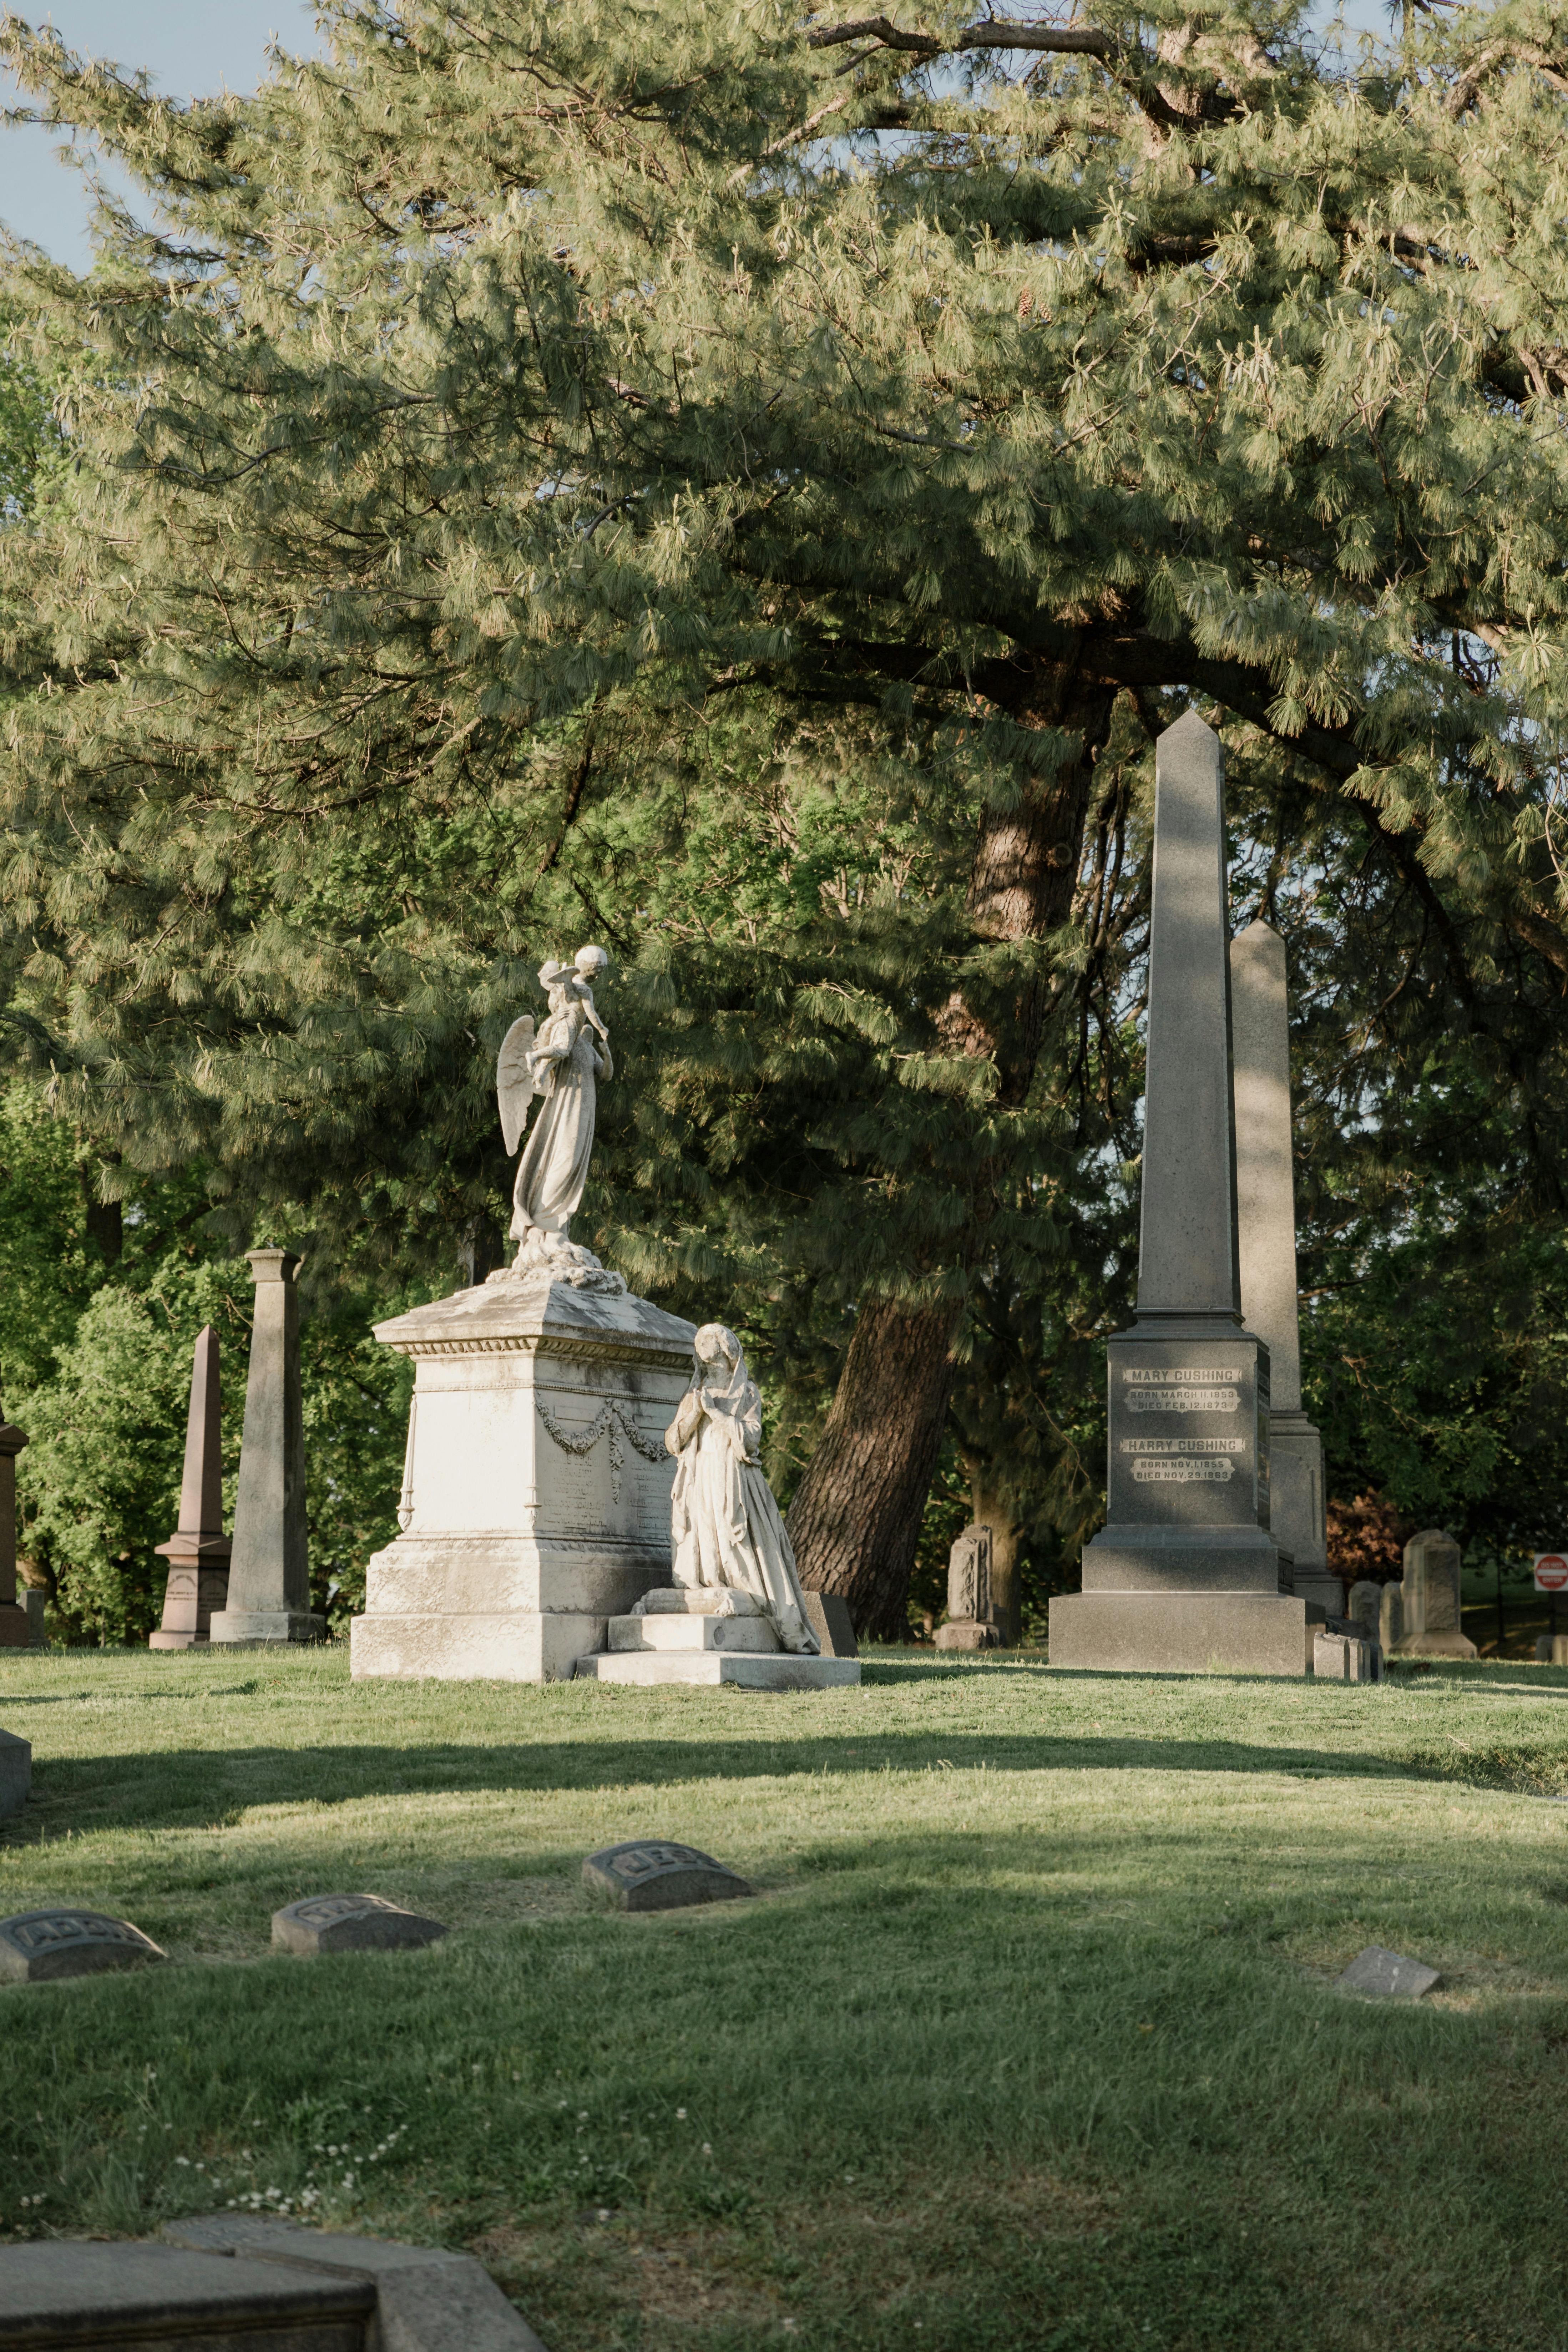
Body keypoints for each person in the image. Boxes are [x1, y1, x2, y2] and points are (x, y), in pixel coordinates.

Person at [665, 1324, 820, 1653]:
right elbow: (673, 1441)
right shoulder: (694, 1396)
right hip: (699, 1476)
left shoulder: (746, 1392)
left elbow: (751, 1438)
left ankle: (749, 1593)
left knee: (741, 1544)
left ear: (728, 1358)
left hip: (733, 1476)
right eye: (706, 1361)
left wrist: (717, 1414)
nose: (711, 1366)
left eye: (717, 1359)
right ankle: (712, 1582)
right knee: (704, 1532)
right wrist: (695, 1412)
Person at [509, 958, 613, 1246]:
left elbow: (605, 1073)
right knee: (564, 1159)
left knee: (575, 1158)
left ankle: (556, 1225)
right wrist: (537, 1061)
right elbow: (560, 1051)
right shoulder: (563, 1025)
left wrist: (606, 1047)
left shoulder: (586, 1044)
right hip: (567, 1103)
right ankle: (544, 1221)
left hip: (584, 1104)